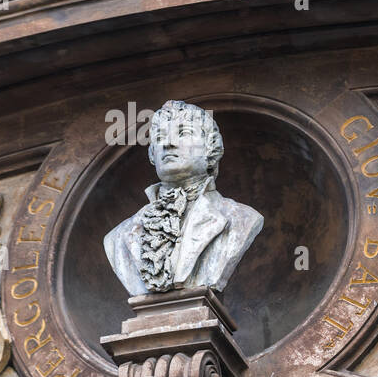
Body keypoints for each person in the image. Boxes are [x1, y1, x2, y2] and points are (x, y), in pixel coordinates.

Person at [104, 100, 263, 297]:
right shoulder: (119, 236)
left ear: (211, 149)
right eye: (160, 137)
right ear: (152, 153)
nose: (168, 144)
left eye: (183, 133)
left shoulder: (242, 218)